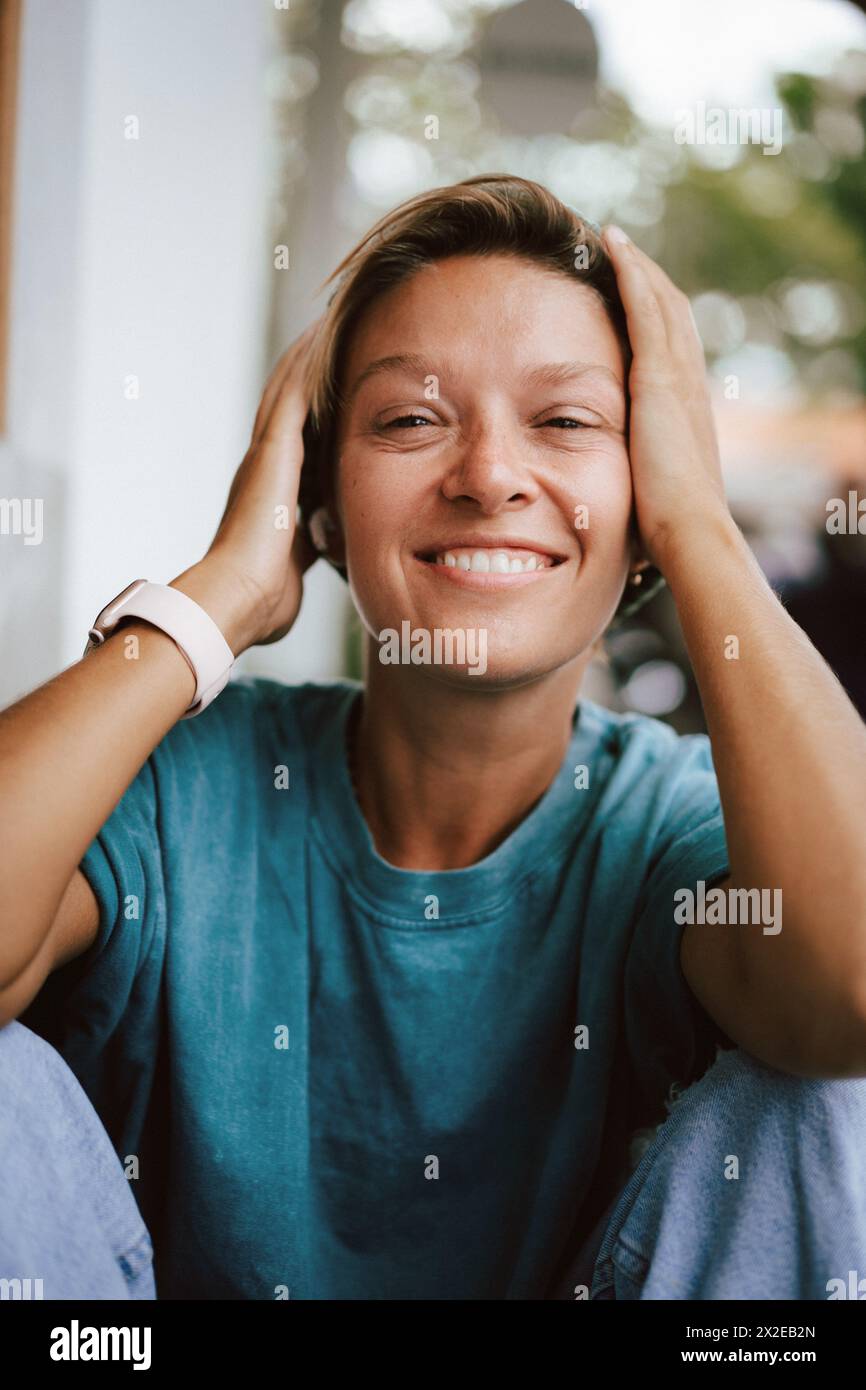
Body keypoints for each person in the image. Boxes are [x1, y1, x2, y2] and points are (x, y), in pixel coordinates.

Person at [2, 175, 866, 1301]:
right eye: (410, 418)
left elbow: (846, 996)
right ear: (319, 499)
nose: (489, 476)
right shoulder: (183, 786)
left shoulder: (670, 833)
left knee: (817, 1094)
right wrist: (215, 597)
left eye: (564, 422)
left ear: (644, 512)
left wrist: (701, 524)